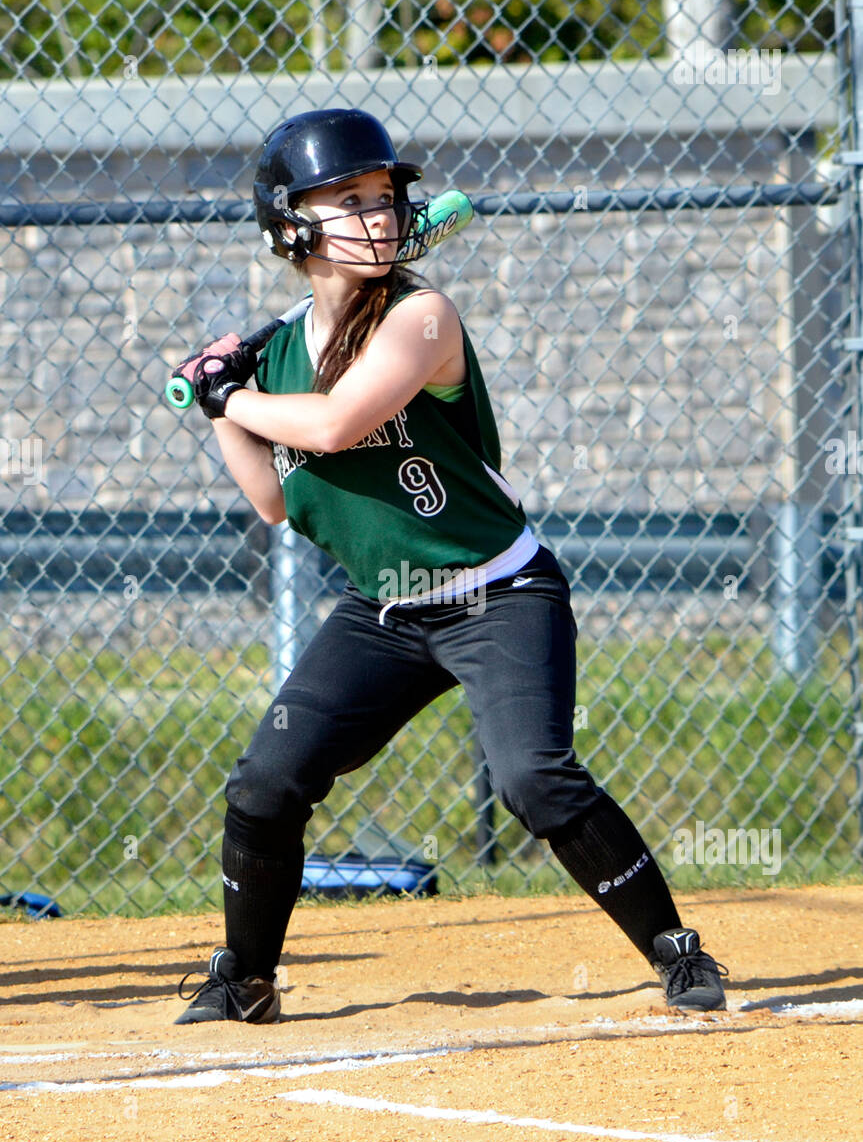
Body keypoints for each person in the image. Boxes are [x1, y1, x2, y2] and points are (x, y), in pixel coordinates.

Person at [173, 108, 727, 1025]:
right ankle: (246, 978)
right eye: (347, 200)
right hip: (382, 612)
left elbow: (333, 426)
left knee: (532, 778)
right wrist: (222, 406)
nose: (379, 216)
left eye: (385, 198)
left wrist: (235, 390)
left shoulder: (420, 315)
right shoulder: (275, 354)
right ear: (289, 225)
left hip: (497, 593)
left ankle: (675, 950)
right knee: (265, 783)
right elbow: (271, 500)